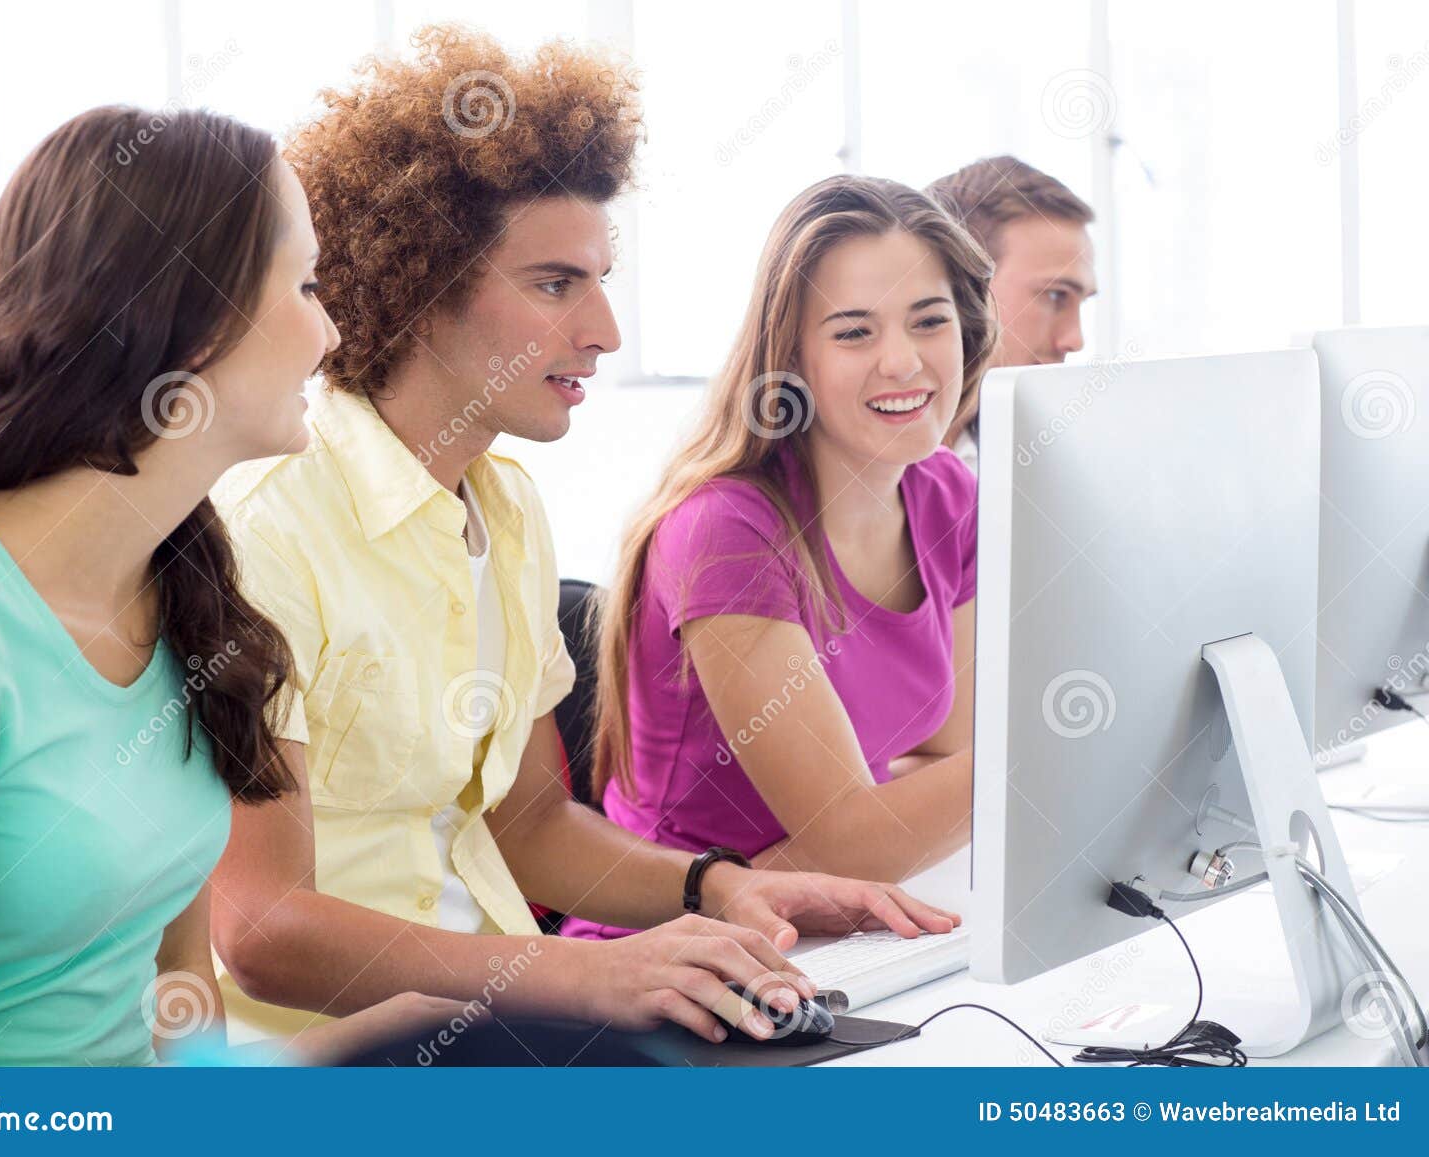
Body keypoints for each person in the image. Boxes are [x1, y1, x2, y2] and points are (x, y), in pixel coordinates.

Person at [209, 26, 957, 1050]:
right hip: (332, 1057)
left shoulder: (503, 510)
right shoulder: (270, 530)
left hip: (514, 1026)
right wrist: (584, 972)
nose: (604, 329)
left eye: (601, 280)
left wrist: (722, 890)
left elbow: (526, 828)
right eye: (557, 284)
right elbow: (259, 928)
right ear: (421, 283)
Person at [0, 105, 463, 1066]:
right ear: (194, 319)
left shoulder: (186, 591)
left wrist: (324, 1069)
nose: (330, 331)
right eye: (305, 285)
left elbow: (179, 1022)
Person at [564, 175, 996, 940]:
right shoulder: (726, 531)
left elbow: (943, 754)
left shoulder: (945, 493)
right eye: (854, 332)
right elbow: (853, 840)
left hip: (837, 926)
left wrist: (862, 840)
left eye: (929, 321)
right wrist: (1059, 737)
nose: (903, 361)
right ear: (791, 359)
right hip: (678, 955)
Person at [926, 155, 1097, 470]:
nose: (1075, 340)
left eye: (1082, 301)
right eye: (1056, 295)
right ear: (964, 287)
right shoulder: (854, 466)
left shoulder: (1037, 454)